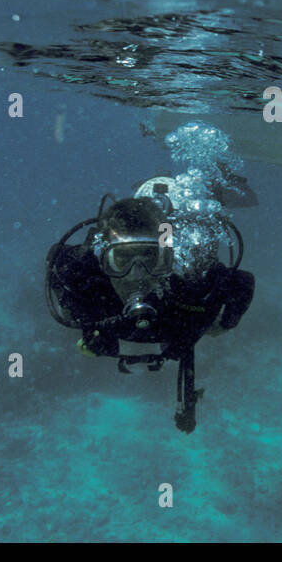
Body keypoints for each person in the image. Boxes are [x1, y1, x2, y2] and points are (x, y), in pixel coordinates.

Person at [45, 182, 254, 432]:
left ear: (167, 259)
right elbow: (56, 258)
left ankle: (210, 190)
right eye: (122, 259)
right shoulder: (83, 275)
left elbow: (243, 283)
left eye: (150, 258)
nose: (136, 275)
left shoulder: (190, 281)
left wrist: (224, 323)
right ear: (102, 258)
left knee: (204, 248)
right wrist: (71, 309)